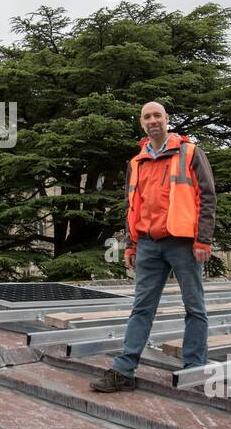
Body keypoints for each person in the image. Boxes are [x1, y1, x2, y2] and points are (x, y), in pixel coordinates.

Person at [91, 101, 216, 391]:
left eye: (157, 115)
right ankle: (124, 371)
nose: (153, 120)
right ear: (142, 123)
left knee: (194, 307)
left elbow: (207, 197)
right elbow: (131, 205)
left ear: (167, 119)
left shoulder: (190, 153)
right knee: (141, 308)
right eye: (147, 117)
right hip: (148, 243)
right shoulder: (136, 162)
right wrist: (131, 245)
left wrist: (203, 240)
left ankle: (195, 368)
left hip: (183, 244)